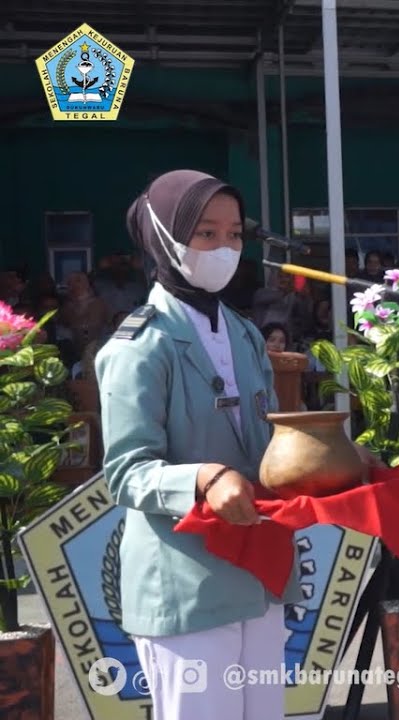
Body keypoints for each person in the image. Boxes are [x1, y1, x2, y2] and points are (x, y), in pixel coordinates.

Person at [95, 170, 311, 720]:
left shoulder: (242, 332)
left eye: (235, 234)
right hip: (186, 583)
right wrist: (203, 478)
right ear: (163, 238)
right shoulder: (140, 345)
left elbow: (266, 442)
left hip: (256, 574)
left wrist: (328, 457)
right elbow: (125, 471)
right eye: (205, 234)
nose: (225, 248)